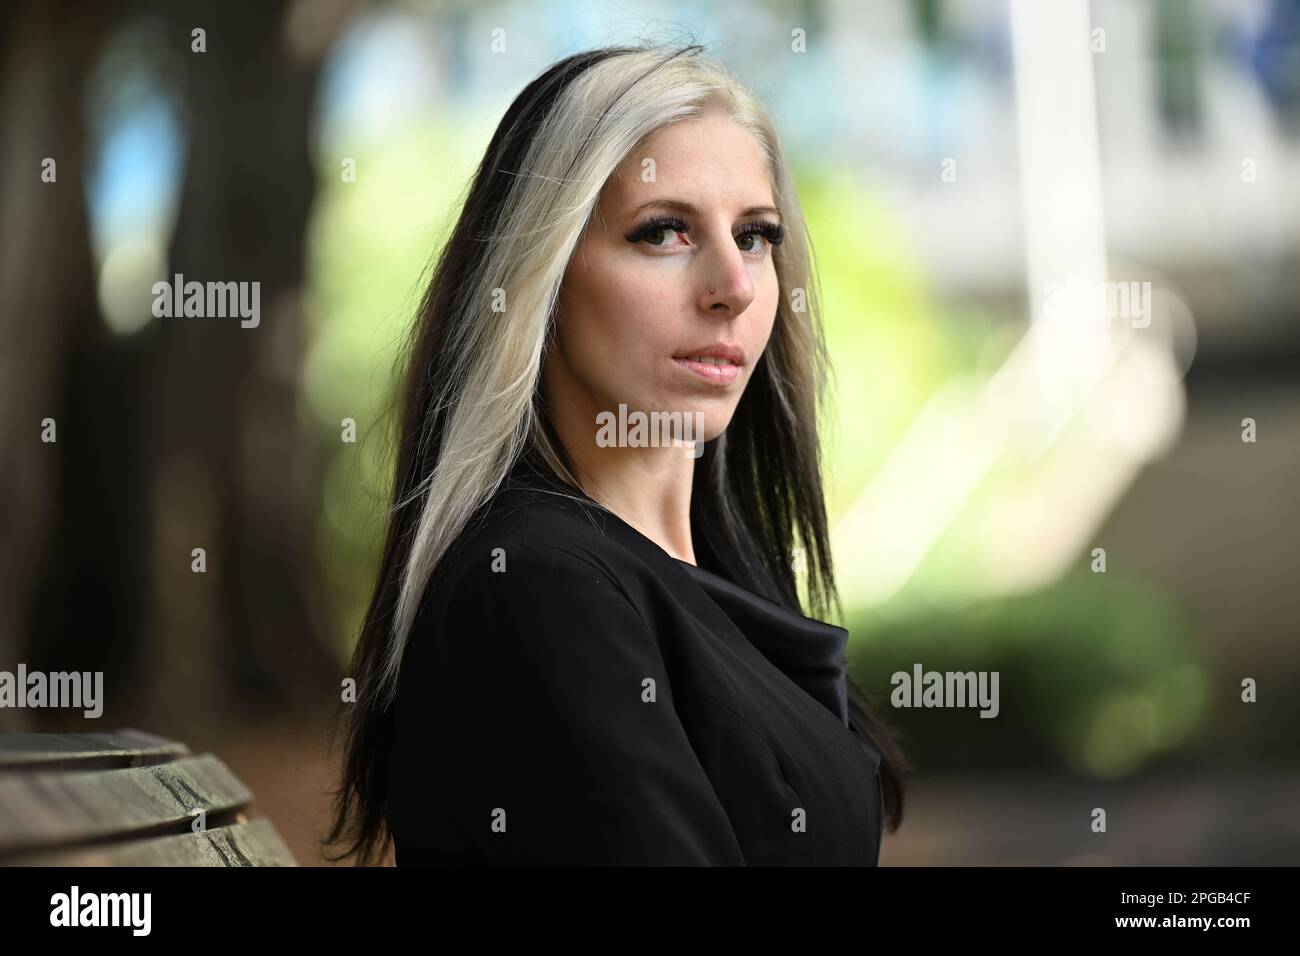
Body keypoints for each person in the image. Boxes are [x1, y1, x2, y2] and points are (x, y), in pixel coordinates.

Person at [325, 42, 908, 866]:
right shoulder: (535, 588)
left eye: (755, 236)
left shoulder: (684, 581)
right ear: (541, 274)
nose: (733, 286)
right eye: (663, 231)